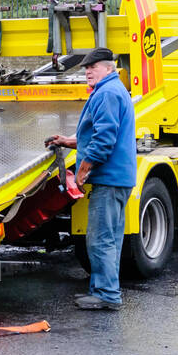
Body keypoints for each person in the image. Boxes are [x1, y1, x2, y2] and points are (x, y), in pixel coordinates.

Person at [45, 47, 136, 310]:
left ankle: (107, 295)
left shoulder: (107, 94)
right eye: (85, 68)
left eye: (92, 67)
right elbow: (97, 135)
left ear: (108, 68)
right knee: (110, 237)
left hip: (109, 179)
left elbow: (104, 140)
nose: (87, 72)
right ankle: (103, 290)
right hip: (118, 178)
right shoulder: (113, 90)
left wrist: (82, 171)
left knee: (100, 238)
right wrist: (67, 141)